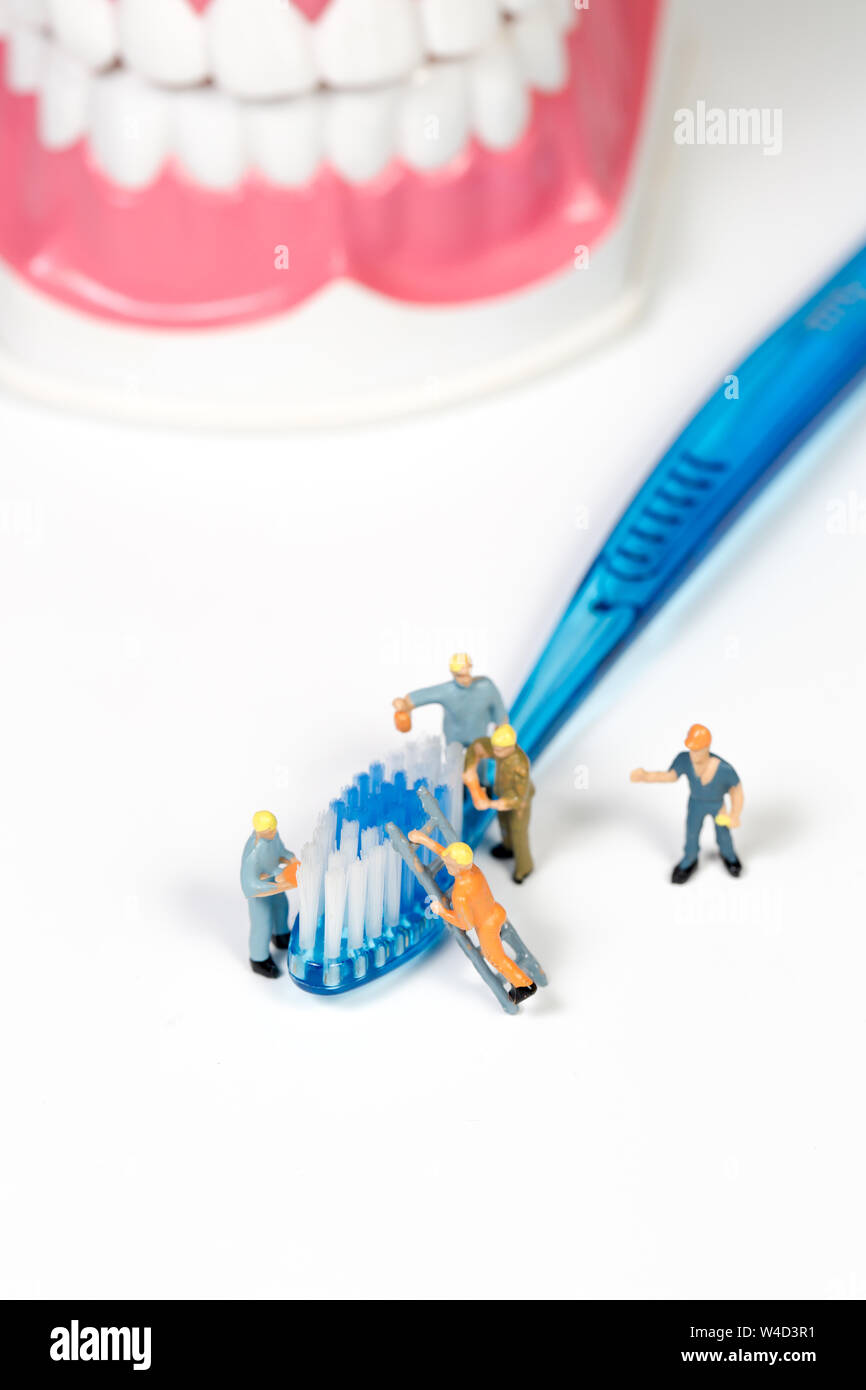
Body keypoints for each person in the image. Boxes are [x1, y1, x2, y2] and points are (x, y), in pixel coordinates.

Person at [407, 830, 537, 1004]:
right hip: (496, 911)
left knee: (496, 958)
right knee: (497, 954)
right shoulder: (473, 869)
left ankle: (525, 985)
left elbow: (465, 924)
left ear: (458, 867)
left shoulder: (460, 894)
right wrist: (424, 840)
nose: (446, 865)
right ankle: (523, 982)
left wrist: (441, 911)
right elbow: (446, 854)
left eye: (449, 865)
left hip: (486, 925)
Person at [630, 724, 744, 883]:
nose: (693, 753)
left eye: (697, 749)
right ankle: (690, 859)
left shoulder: (723, 768)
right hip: (696, 803)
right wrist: (646, 776)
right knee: (691, 833)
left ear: (707, 747)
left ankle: (729, 855)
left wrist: (735, 814)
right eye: (692, 748)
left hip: (717, 805)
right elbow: (670, 776)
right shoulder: (684, 759)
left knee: (723, 833)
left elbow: (736, 790)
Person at [463, 723, 534, 883]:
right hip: (501, 794)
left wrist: (489, 804)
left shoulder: (520, 765)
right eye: (494, 749)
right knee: (504, 824)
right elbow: (478, 746)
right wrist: (470, 769)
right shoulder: (499, 748)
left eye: (499, 750)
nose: (495, 753)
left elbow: (518, 797)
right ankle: (507, 848)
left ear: (511, 747)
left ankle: (524, 868)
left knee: (518, 834)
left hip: (518, 804)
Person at [392, 652, 507, 749]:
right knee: (453, 766)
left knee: (480, 766)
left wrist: (502, 729)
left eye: (466, 672)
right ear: (453, 673)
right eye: (459, 675)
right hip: (454, 736)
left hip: (478, 735)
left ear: (470, 668)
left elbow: (499, 709)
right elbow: (424, 695)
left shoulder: (486, 686)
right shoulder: (447, 691)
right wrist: (404, 703)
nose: (464, 679)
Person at [241, 811, 298, 977]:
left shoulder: (273, 836)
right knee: (262, 924)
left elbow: (281, 851)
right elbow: (249, 884)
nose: (272, 833)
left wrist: (291, 858)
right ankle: (259, 959)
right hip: (259, 894)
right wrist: (276, 886)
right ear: (259, 831)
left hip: (275, 881)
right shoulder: (252, 852)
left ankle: (281, 936)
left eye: (273, 829)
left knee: (282, 909)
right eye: (269, 831)